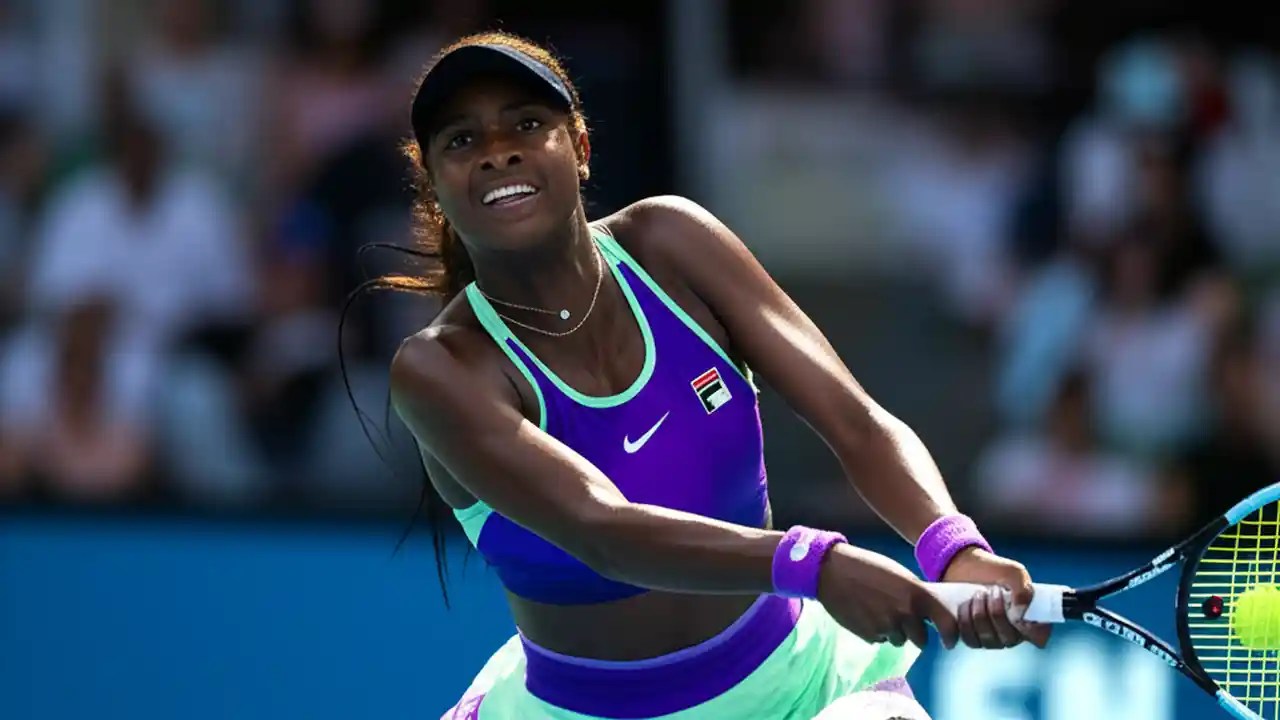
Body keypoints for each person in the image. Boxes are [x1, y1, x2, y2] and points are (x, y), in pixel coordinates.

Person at [381, 31, 1051, 720]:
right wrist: (815, 566)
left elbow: (856, 421)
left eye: (527, 123)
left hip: (801, 686)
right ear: (434, 185)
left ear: (580, 148)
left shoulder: (672, 245)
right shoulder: (439, 370)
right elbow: (603, 531)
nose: (499, 151)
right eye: (462, 141)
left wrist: (952, 546)